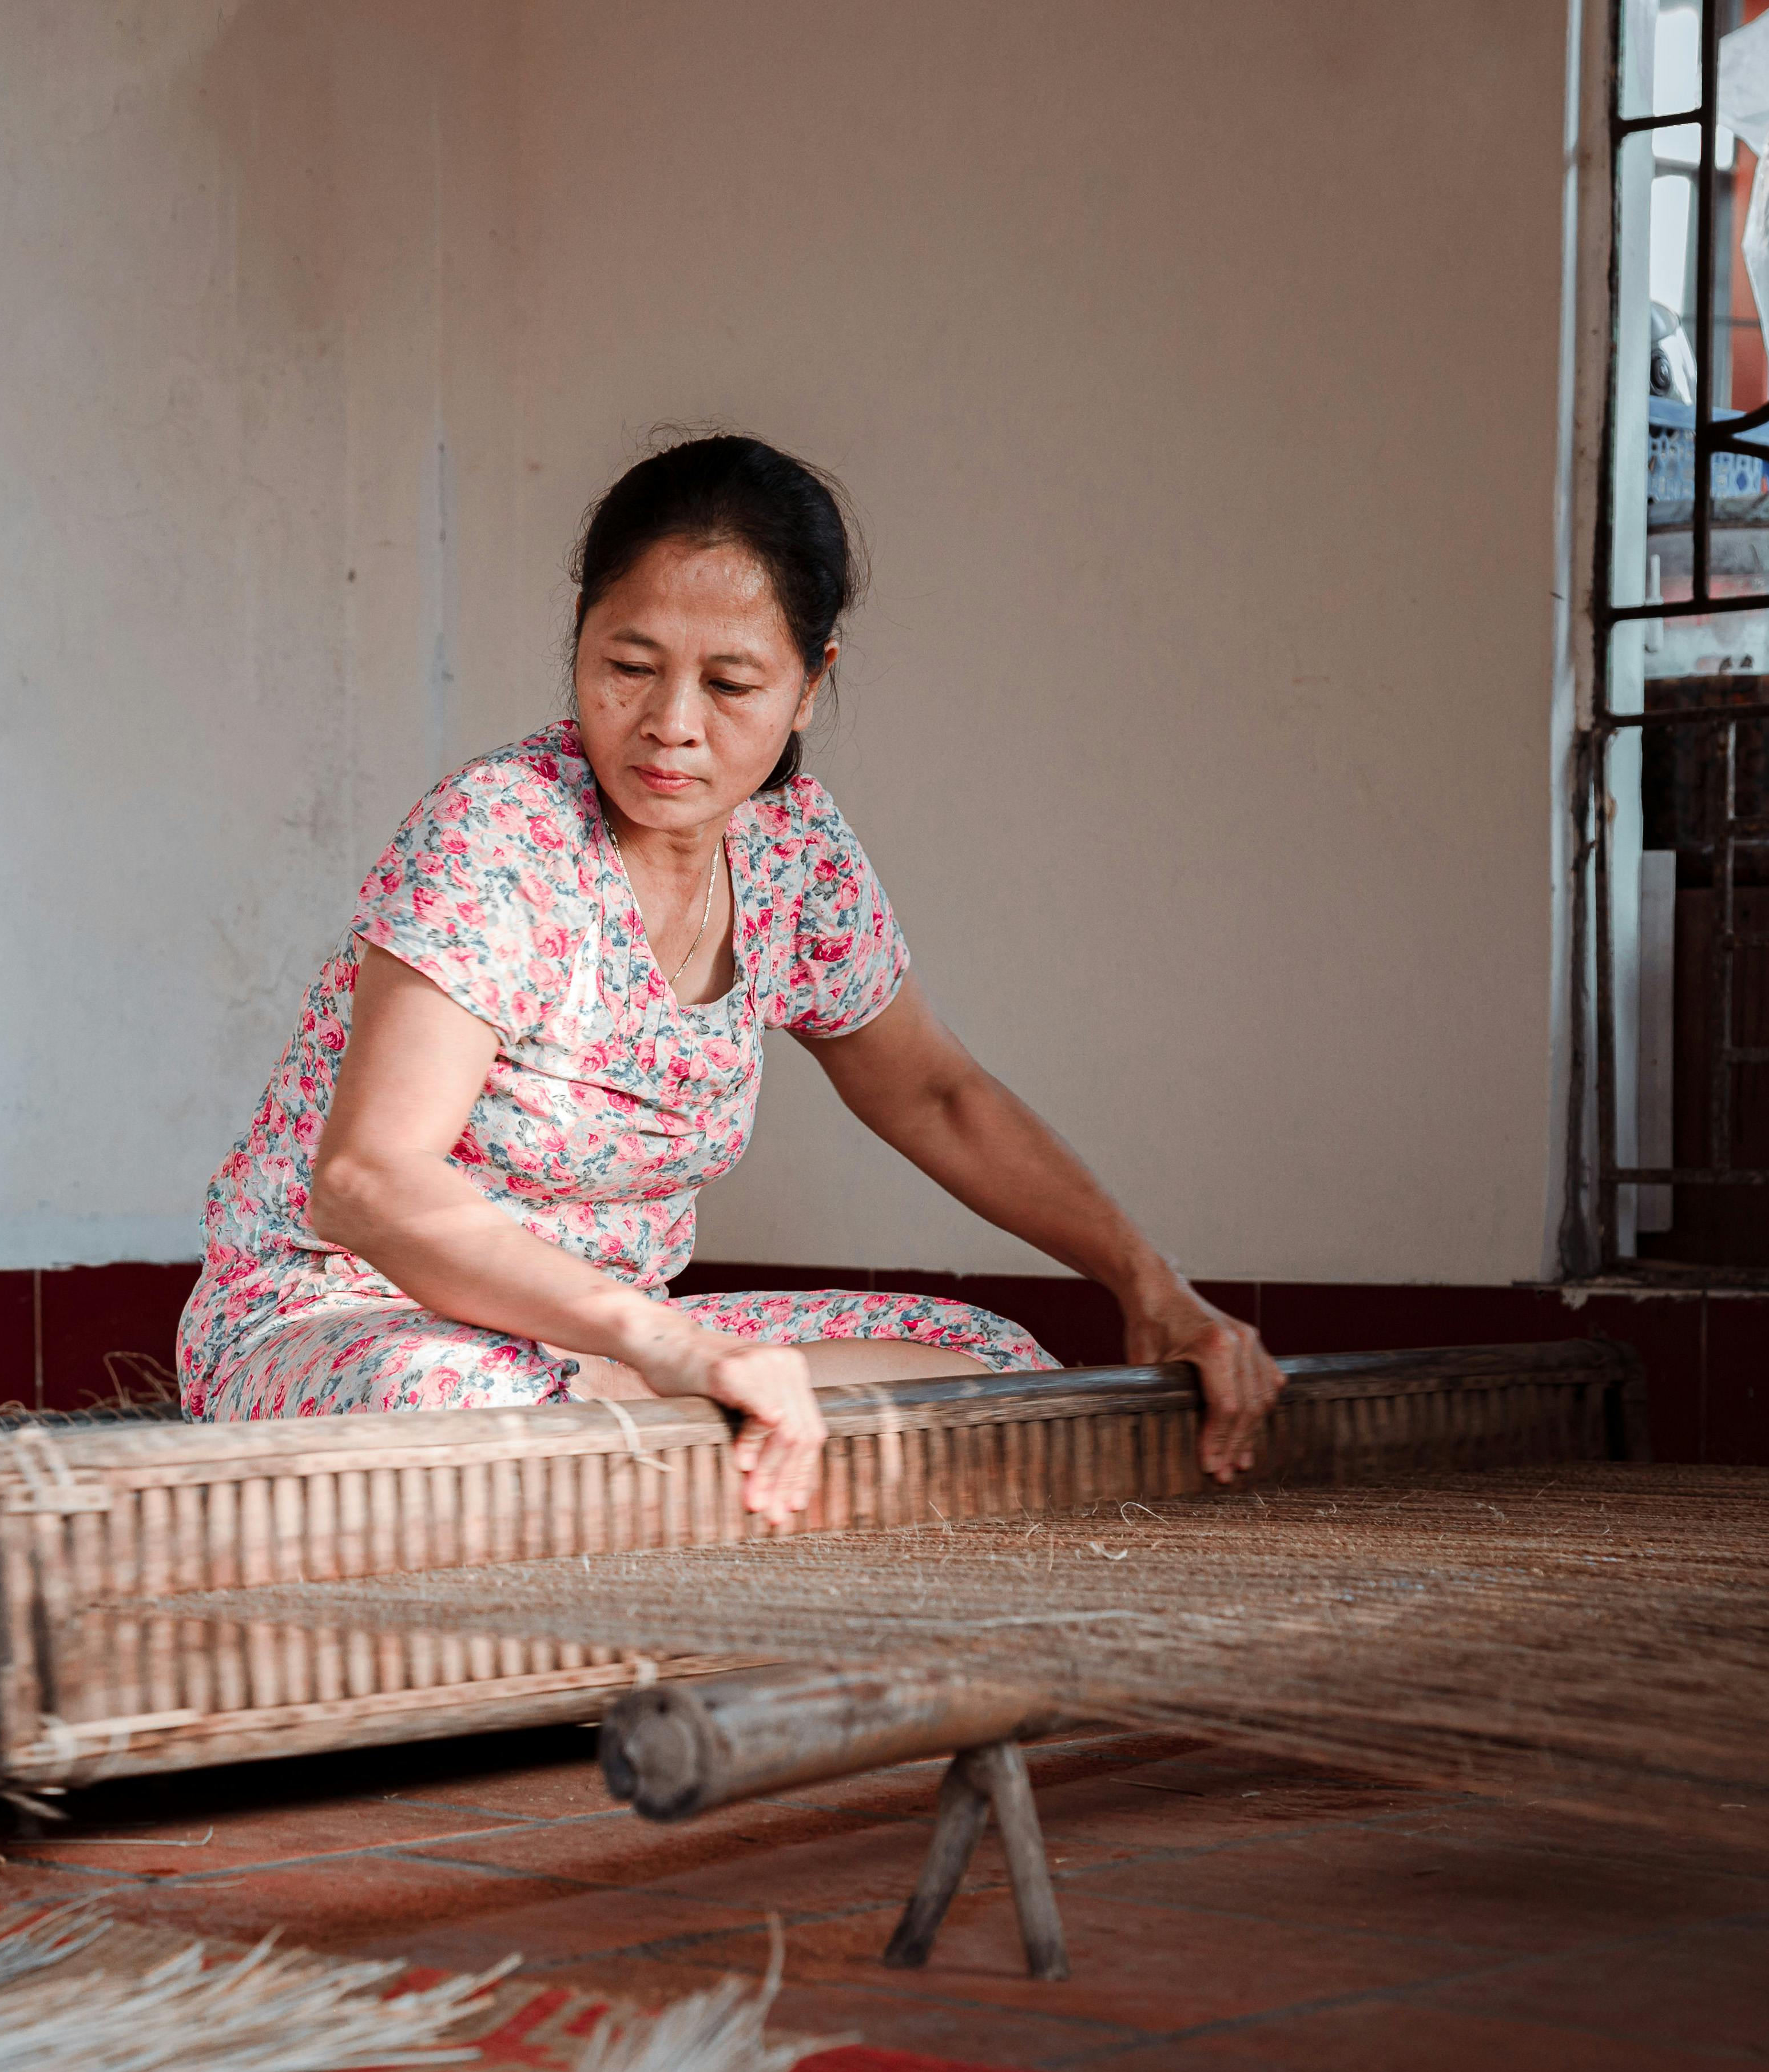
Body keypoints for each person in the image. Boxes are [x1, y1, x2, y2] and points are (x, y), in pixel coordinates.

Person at [179, 434, 1282, 1526]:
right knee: (457, 1409)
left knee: (992, 1369)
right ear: (578, 648)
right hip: (353, 1324)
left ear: (811, 687)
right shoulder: (501, 836)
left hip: (614, 1353)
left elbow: (935, 1093)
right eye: (629, 666)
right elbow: (368, 1182)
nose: (672, 725)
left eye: (732, 682)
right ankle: (661, 1446)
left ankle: (664, 1455)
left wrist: (1149, 1285)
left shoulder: (792, 848)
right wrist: (668, 1347)